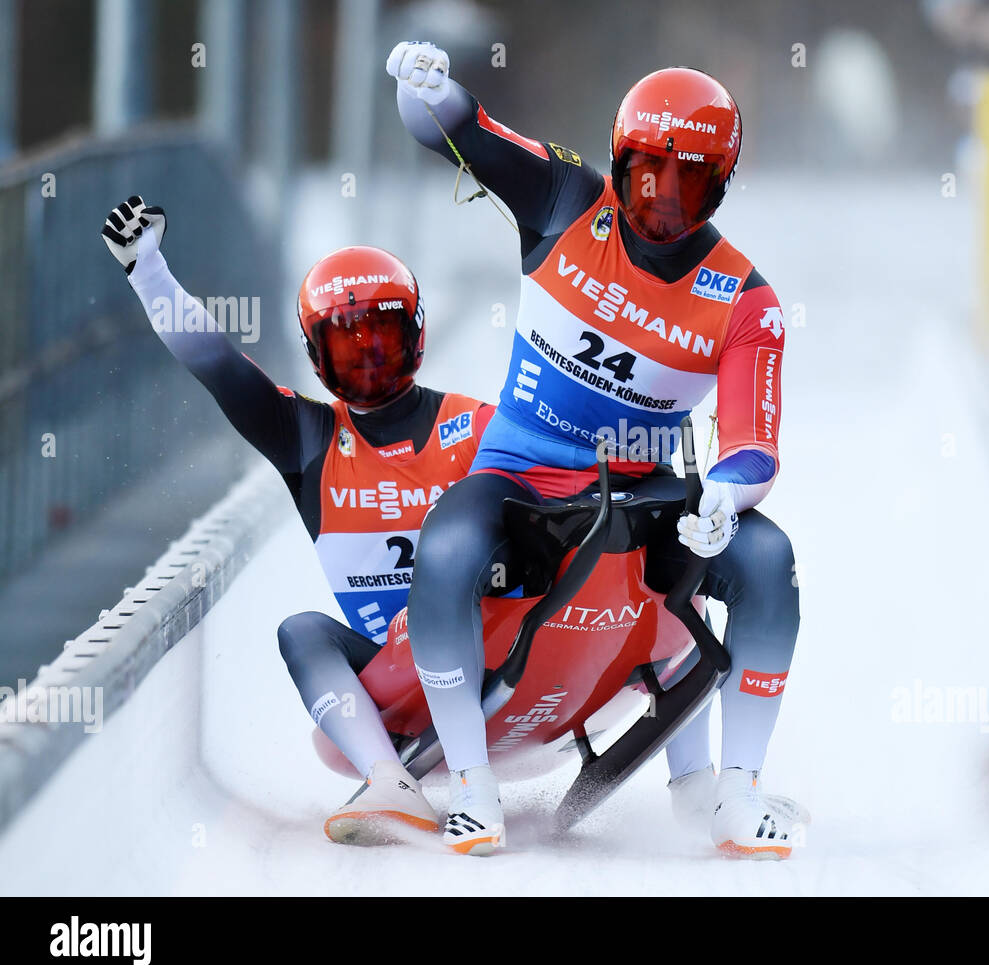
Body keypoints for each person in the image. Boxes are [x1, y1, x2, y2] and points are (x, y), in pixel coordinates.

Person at [387, 42, 804, 857]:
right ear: (619, 161)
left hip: (642, 492)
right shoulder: (562, 197)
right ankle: (473, 790)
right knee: (445, 547)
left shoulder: (749, 301)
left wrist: (722, 497)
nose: (665, 199)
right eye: (649, 172)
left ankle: (737, 790)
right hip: (518, 475)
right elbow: (455, 130)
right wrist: (423, 92)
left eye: (690, 181)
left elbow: (755, 445)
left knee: (769, 564)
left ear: (719, 185)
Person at [101, 196, 492, 845]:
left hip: (492, 638)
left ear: (415, 336)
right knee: (302, 630)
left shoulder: (472, 423)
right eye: (348, 341)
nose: (367, 354)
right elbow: (218, 365)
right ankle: (388, 778)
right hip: (396, 676)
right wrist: (149, 274)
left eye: (383, 334)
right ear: (318, 356)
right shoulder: (305, 437)